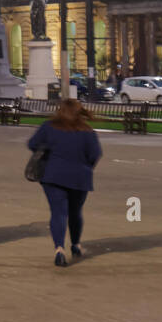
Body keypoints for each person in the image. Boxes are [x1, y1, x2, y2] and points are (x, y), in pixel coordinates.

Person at [27, 98, 101, 267]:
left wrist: (47, 151)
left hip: (53, 176)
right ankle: (75, 244)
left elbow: (32, 144)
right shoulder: (87, 131)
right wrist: (85, 167)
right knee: (75, 212)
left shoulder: (48, 127)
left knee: (58, 212)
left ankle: (59, 249)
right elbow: (95, 154)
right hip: (79, 177)